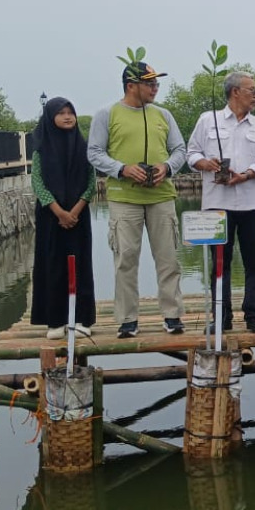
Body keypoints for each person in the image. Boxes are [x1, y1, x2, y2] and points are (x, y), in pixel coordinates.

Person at [88, 60, 187, 338]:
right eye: (150, 83)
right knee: (125, 259)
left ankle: (172, 314)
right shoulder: (107, 114)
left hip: (161, 195)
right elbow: (94, 152)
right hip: (124, 197)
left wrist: (167, 167)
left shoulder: (163, 115)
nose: (155, 88)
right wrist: (122, 169)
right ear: (131, 86)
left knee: (168, 258)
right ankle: (127, 319)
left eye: (156, 83)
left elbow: (180, 149)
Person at [187, 71, 255, 333]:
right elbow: (192, 153)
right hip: (217, 202)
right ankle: (221, 317)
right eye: (252, 90)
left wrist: (245, 175)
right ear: (235, 92)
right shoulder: (208, 120)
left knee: (254, 261)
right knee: (219, 263)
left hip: (251, 202)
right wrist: (204, 163)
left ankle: (254, 316)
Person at [31, 97, 96, 339]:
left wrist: (75, 210)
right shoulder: (41, 149)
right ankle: (55, 321)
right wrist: (59, 212)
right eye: (61, 113)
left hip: (79, 216)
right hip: (51, 217)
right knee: (53, 266)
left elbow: (91, 182)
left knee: (81, 265)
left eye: (71, 112)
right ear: (50, 117)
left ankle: (81, 319)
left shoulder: (84, 147)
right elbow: (37, 183)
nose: (68, 117)